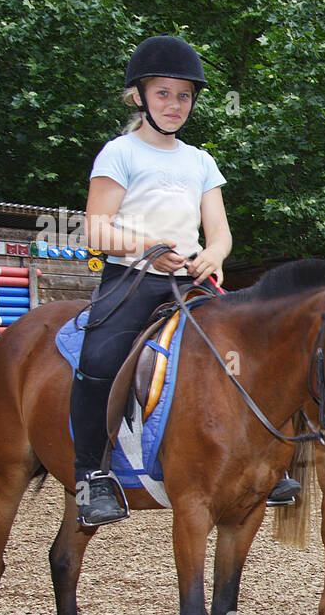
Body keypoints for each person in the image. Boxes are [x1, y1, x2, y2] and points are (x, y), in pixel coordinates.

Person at [71, 35, 297, 525]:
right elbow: (95, 227)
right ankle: (91, 474)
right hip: (132, 280)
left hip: (190, 282)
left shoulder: (200, 161)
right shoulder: (120, 153)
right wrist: (150, 246)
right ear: (139, 96)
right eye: (163, 94)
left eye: (184, 96)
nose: (174, 105)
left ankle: (264, 462)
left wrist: (211, 255)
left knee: (255, 350)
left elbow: (219, 233)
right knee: (100, 356)